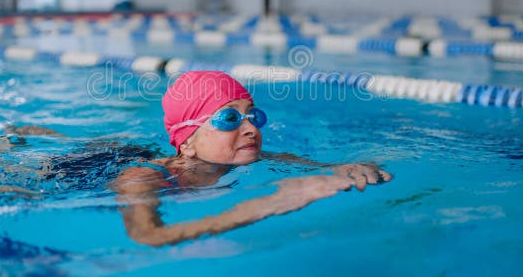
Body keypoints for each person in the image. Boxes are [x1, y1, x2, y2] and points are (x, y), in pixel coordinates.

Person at [112, 71, 392, 247]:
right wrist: (265, 205)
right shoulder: (142, 178)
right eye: (230, 119)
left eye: (253, 116)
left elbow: (309, 165)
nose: (251, 129)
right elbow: (147, 236)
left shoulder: (246, 156)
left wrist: (343, 167)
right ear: (187, 144)